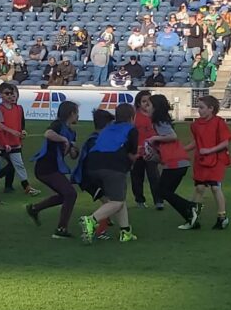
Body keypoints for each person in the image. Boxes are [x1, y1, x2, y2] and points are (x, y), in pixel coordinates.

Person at [76, 102, 139, 244]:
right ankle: (90, 220)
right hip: (113, 166)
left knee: (118, 199)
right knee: (116, 202)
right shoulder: (131, 129)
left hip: (92, 165)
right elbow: (131, 155)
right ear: (132, 117)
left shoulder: (108, 128)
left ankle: (126, 231)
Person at [26, 100, 82, 238]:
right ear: (71, 113)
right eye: (76, 113)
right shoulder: (57, 125)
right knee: (70, 194)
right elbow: (48, 134)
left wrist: (74, 149)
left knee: (66, 195)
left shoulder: (72, 132)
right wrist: (64, 139)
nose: (78, 116)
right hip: (46, 166)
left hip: (53, 167)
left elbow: (71, 155)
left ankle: (35, 209)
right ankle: (61, 229)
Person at [145, 94, 201, 226]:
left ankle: (191, 207)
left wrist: (154, 139)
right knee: (165, 192)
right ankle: (191, 217)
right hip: (178, 162)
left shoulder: (159, 122)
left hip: (176, 162)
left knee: (163, 191)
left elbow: (172, 136)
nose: (146, 107)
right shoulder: (160, 121)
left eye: (148, 105)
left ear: (156, 107)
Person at [185, 95, 231, 230]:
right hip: (201, 160)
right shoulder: (195, 125)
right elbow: (197, 141)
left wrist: (210, 150)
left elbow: (225, 142)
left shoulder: (219, 122)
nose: (199, 110)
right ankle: (194, 217)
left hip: (216, 159)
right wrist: (183, 150)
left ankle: (222, 217)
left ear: (211, 109)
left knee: (215, 187)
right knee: (199, 188)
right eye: (198, 107)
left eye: (201, 108)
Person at [0, 82, 33, 195]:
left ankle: (20, 186)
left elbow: (21, 124)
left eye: (13, 94)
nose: (11, 96)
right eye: (8, 94)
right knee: (7, 166)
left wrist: (22, 132)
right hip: (3, 143)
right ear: (1, 95)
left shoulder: (19, 109)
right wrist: (12, 131)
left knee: (16, 165)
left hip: (15, 142)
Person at [129, 90, 161, 209]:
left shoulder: (155, 116)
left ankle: (158, 201)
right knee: (137, 177)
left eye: (149, 101)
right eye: (143, 101)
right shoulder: (135, 116)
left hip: (152, 151)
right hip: (137, 151)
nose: (146, 104)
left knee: (154, 176)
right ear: (138, 103)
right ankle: (140, 201)